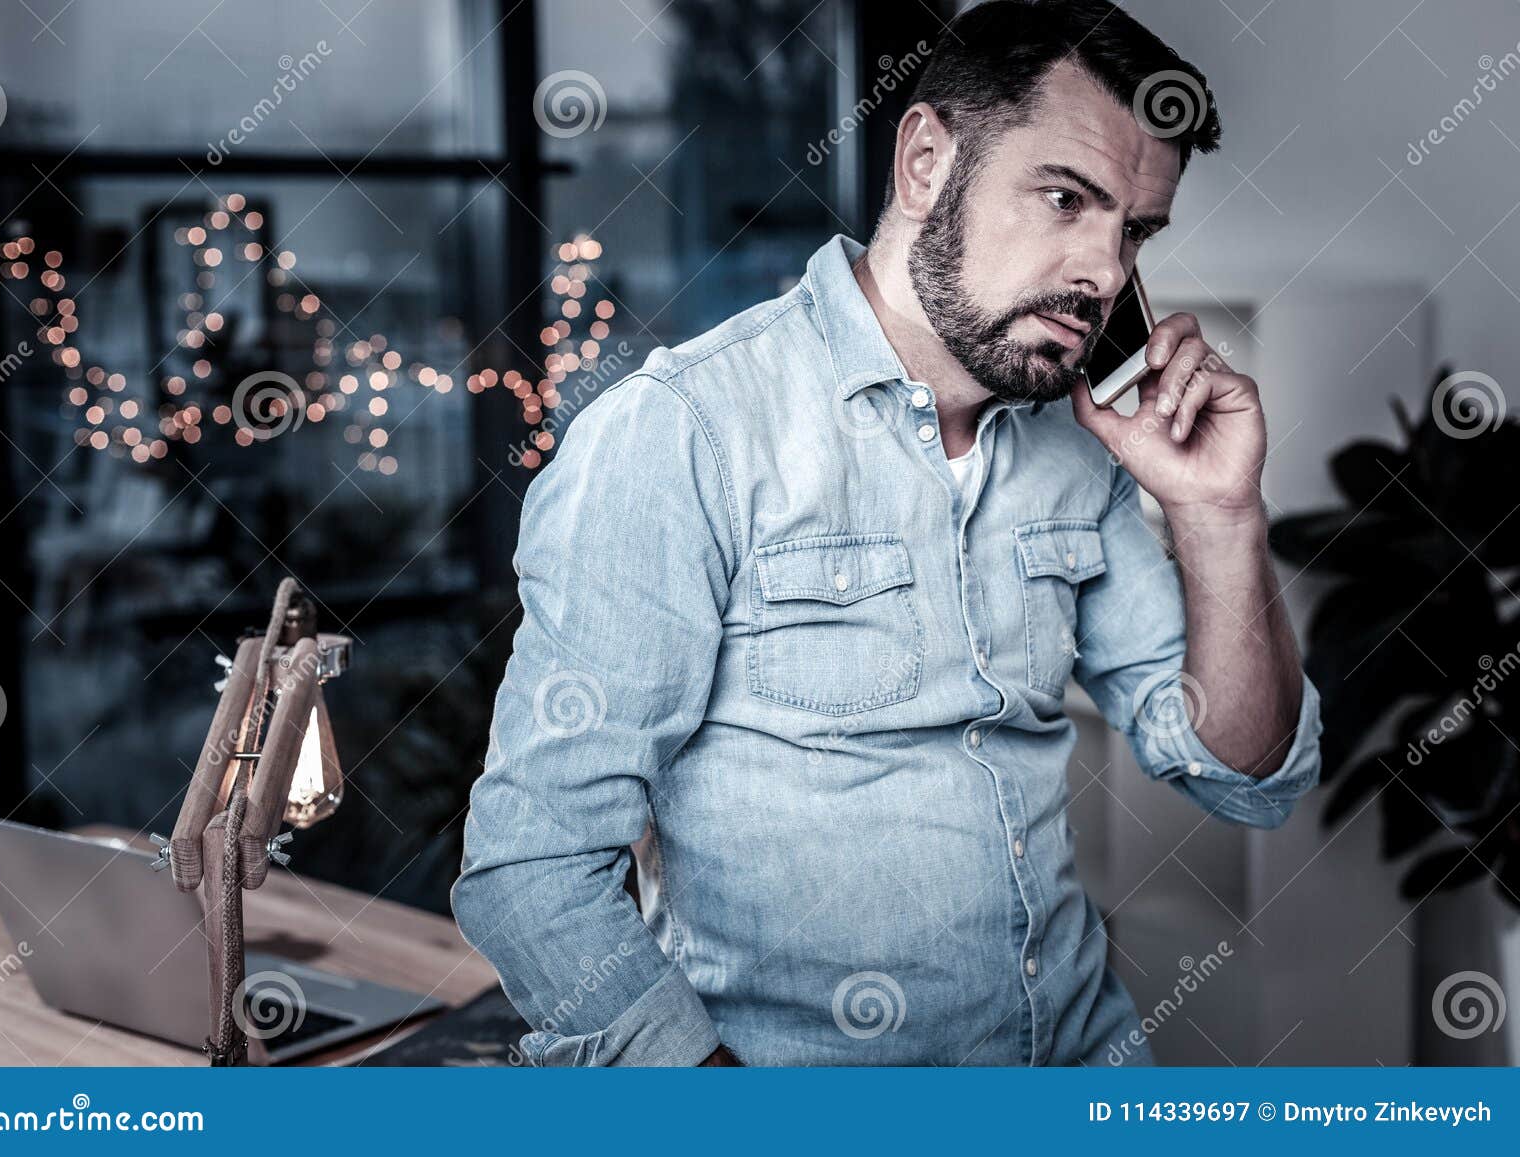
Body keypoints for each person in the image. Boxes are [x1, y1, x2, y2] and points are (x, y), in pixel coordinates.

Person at [453, 0, 1322, 1066]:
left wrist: (1218, 512)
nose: (1102, 272)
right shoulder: (682, 434)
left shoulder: (1077, 445)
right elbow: (531, 864)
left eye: (1133, 231)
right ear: (923, 162)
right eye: (1064, 198)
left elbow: (1242, 774)